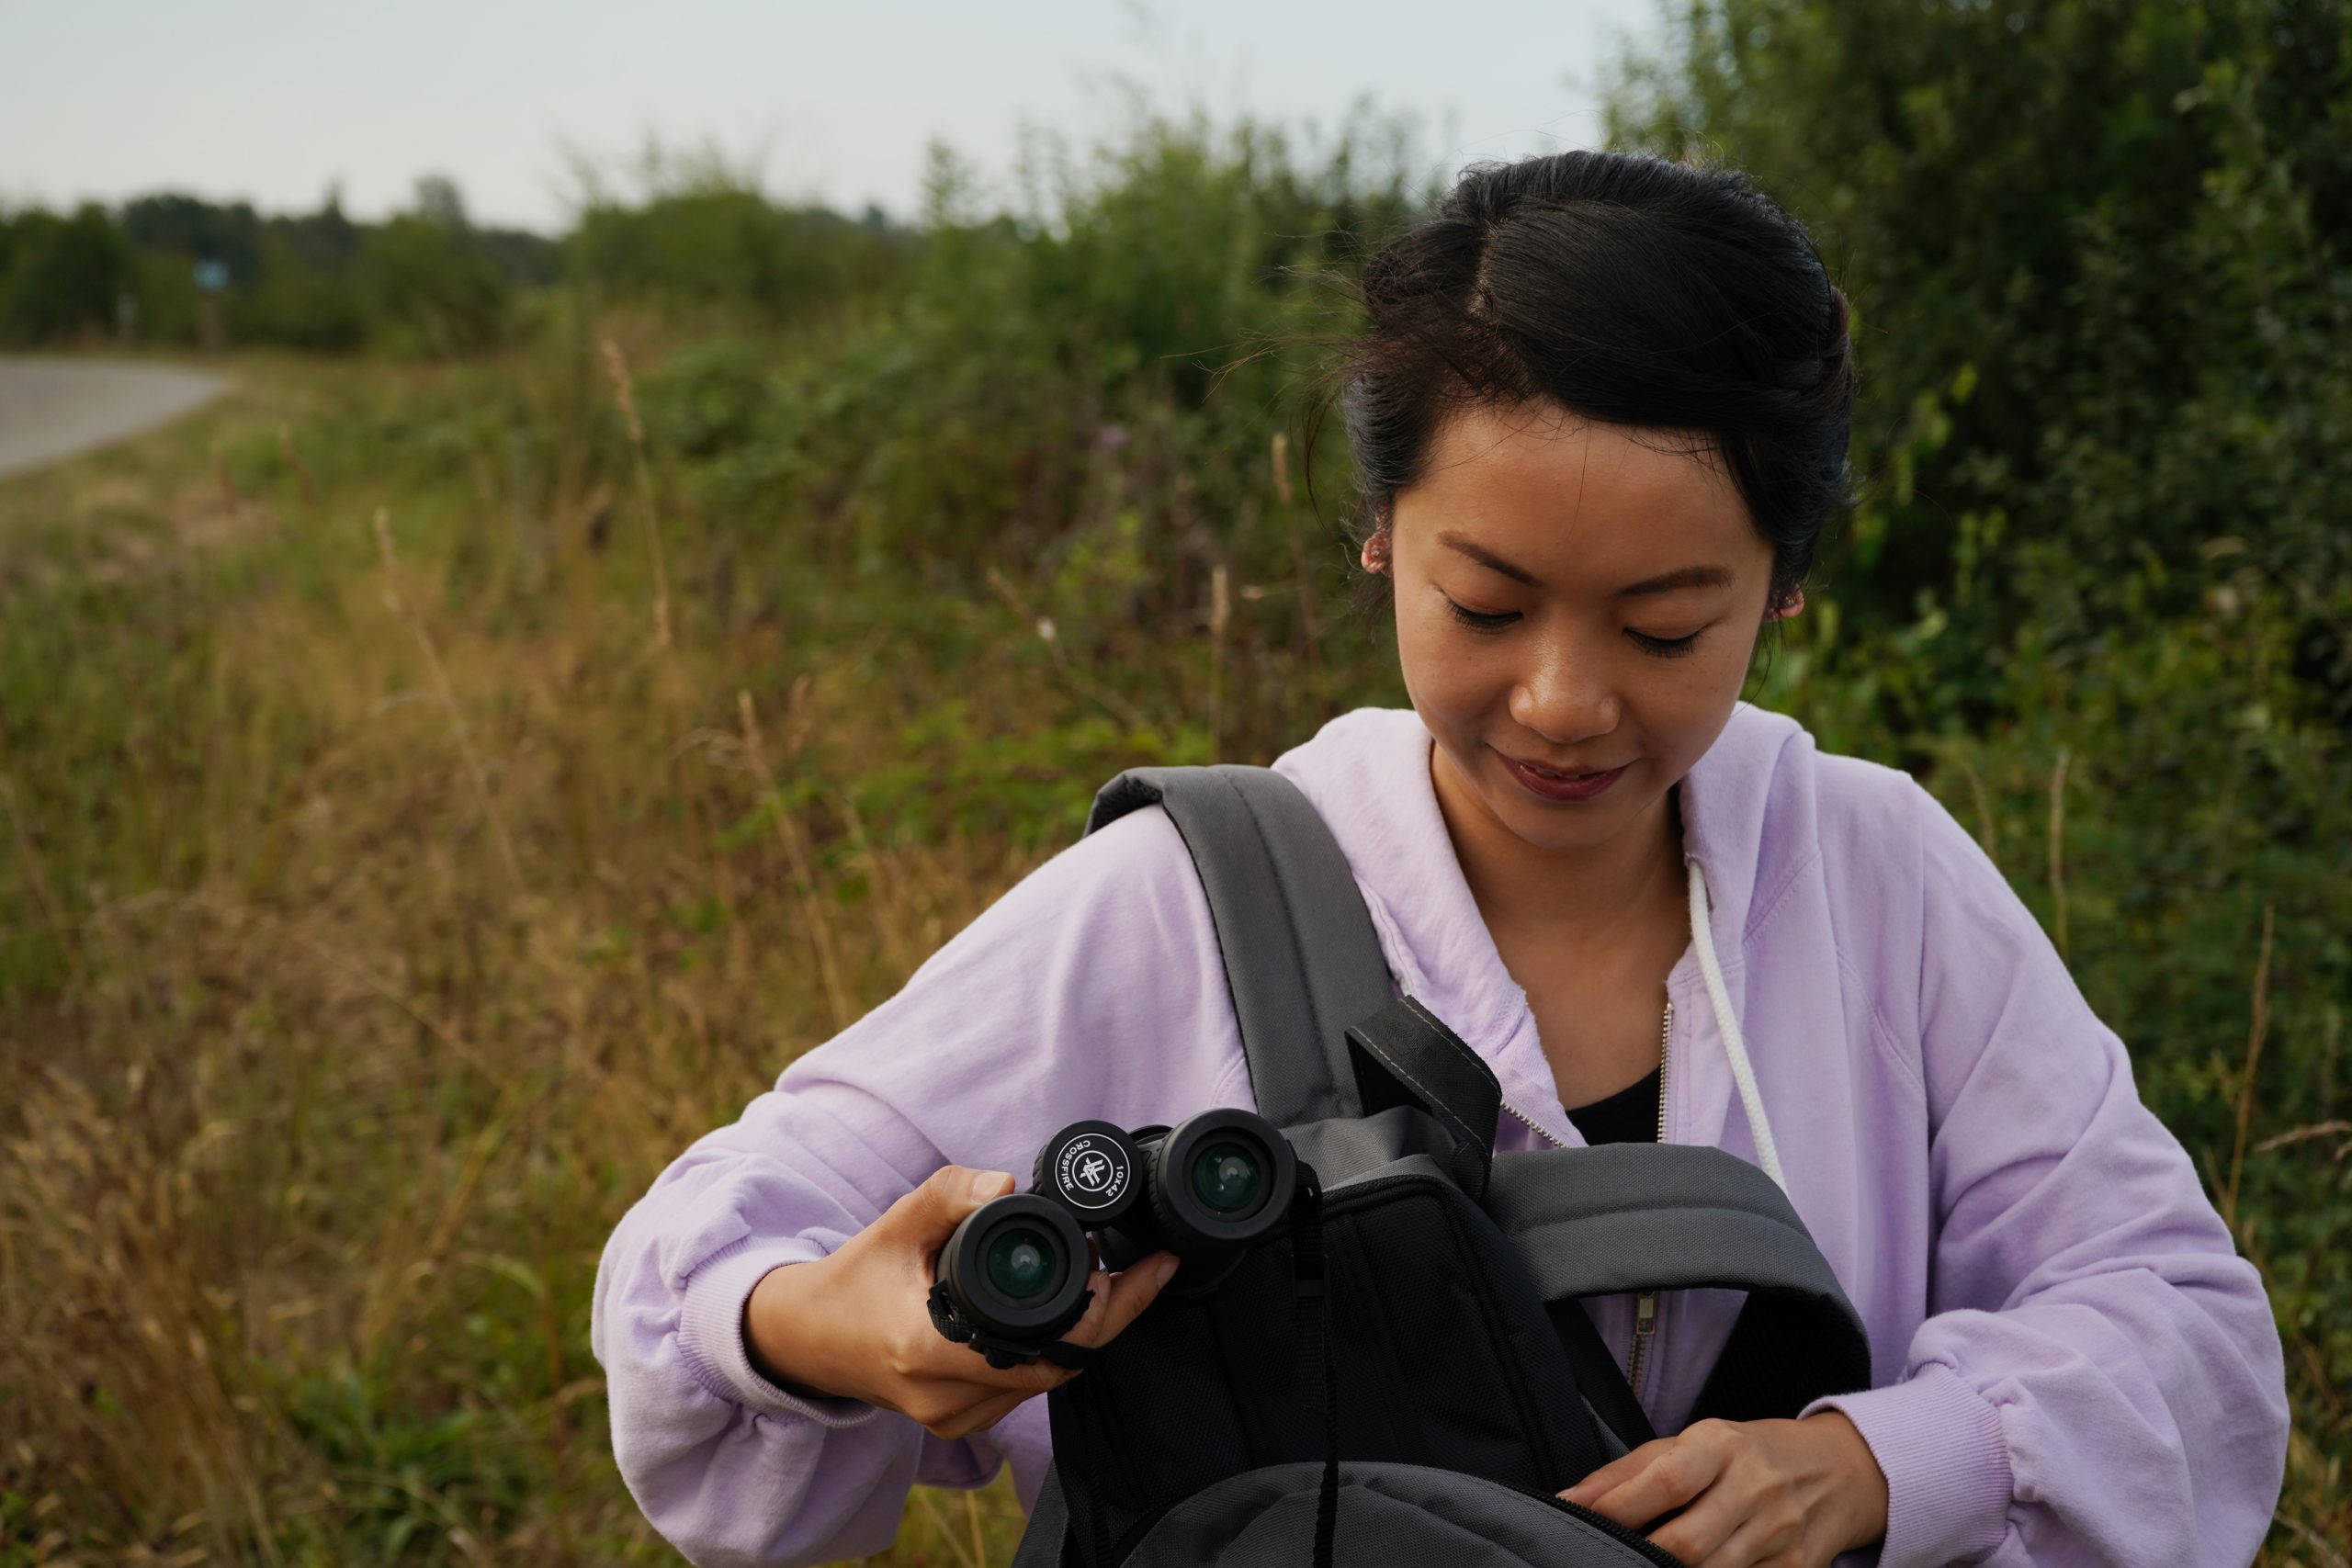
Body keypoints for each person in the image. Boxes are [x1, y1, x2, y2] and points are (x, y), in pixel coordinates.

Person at [591, 149, 2290, 1568]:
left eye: (1665, 625)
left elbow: (2180, 1325)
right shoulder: (1193, 900)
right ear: (1377, 536)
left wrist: (1878, 1461)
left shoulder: (1880, 877)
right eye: (1483, 605)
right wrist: (829, 1325)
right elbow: (698, 1263)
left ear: (1781, 585)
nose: (1564, 702)